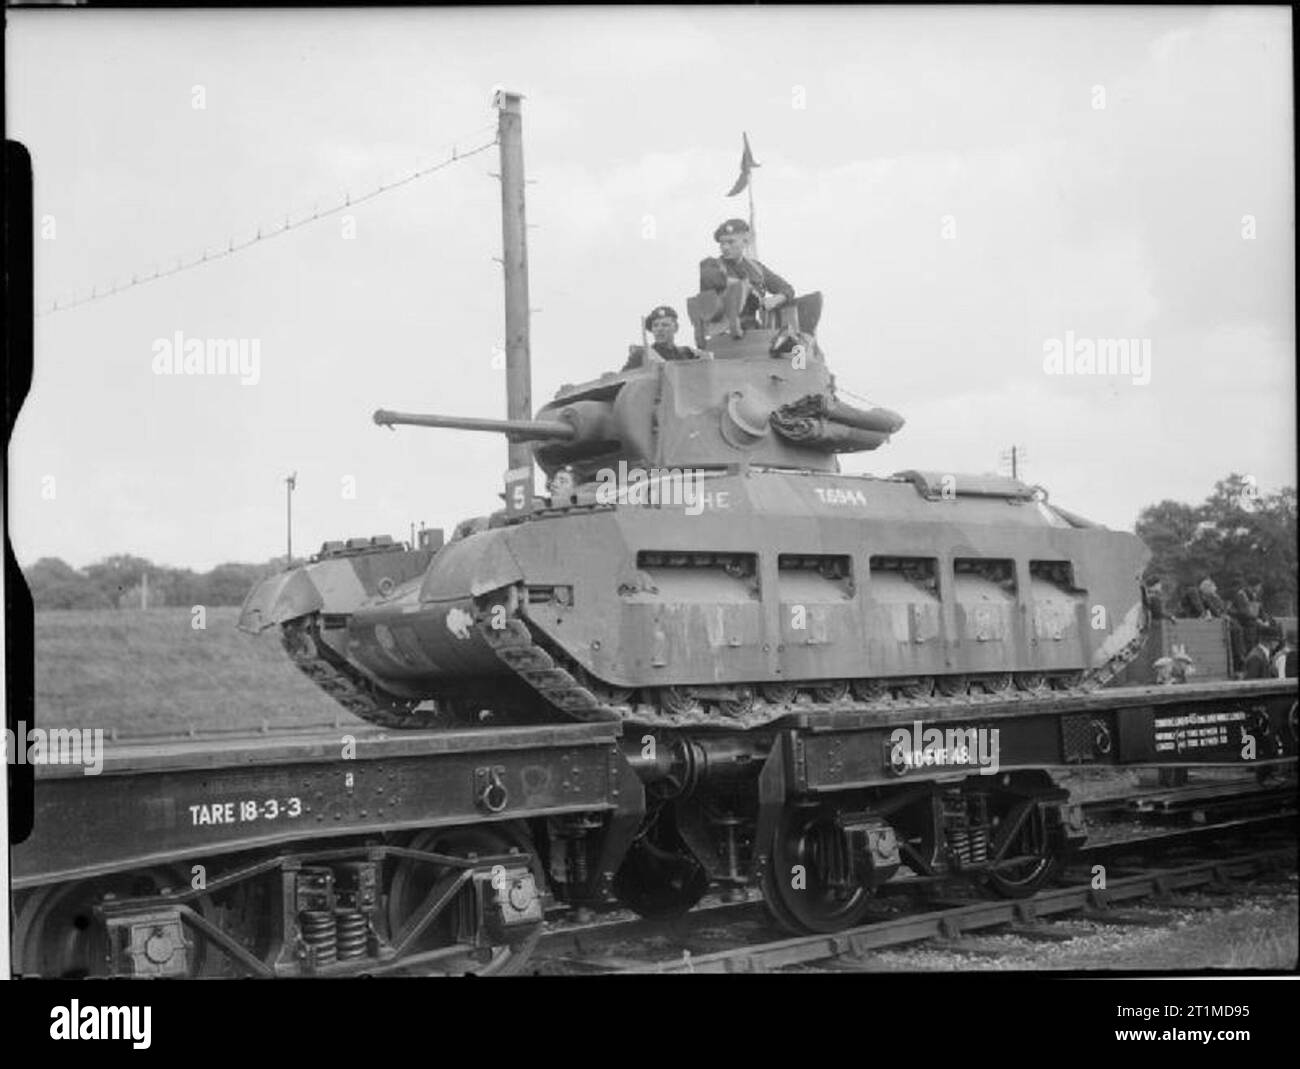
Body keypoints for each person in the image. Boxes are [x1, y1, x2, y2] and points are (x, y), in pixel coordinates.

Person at [698, 219, 803, 332]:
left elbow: (787, 289)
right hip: (722, 333)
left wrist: (776, 299)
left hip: (751, 330)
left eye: (731, 242)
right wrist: (745, 287)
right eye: (722, 243)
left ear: (745, 241)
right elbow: (709, 278)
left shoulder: (756, 268)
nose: (725, 247)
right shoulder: (711, 265)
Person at [622, 305, 710, 370]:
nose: (659, 329)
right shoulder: (643, 355)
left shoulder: (687, 354)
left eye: (665, 325)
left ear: (675, 328)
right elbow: (621, 381)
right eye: (655, 326)